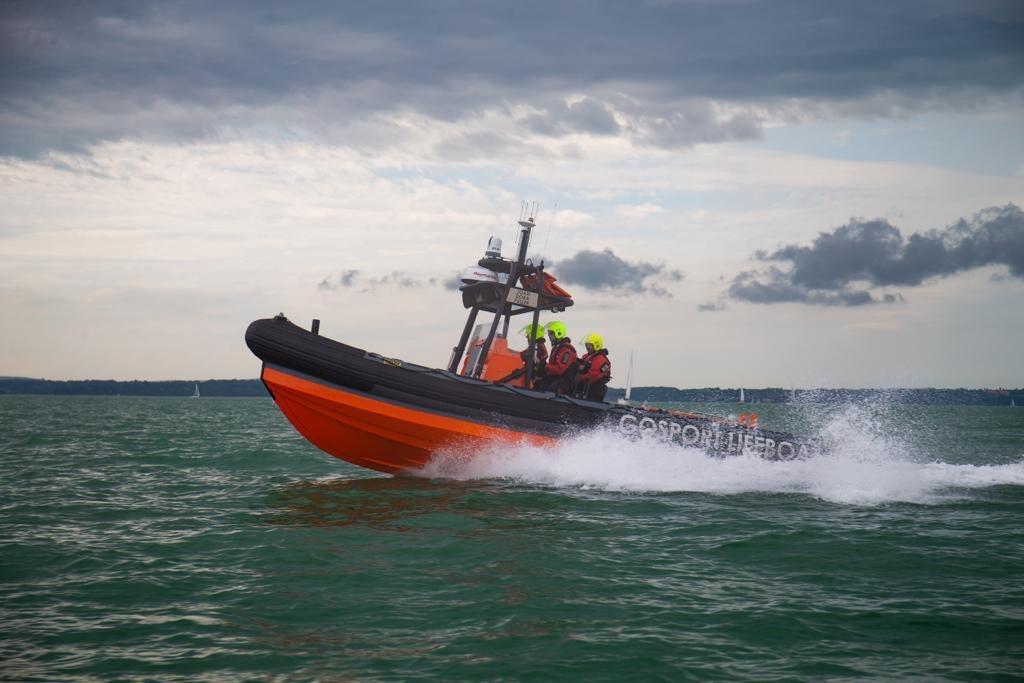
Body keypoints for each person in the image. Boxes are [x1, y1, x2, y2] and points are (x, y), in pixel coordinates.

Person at [537, 320, 578, 395]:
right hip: (555, 379)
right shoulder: (557, 348)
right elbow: (551, 368)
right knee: (538, 383)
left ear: (558, 333)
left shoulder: (566, 350)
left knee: (544, 389)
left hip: (563, 383)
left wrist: (544, 365)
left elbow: (559, 370)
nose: (549, 335)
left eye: (550, 333)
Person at [575, 333, 612, 401]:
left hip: (593, 389)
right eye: (586, 345)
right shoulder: (587, 356)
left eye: (589, 345)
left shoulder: (600, 359)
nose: (587, 347)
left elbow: (593, 375)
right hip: (583, 387)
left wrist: (579, 377)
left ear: (596, 345)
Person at [519, 323, 548, 387]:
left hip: (534, 381)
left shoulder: (538, 347)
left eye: (528, 334)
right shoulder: (537, 346)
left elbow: (522, 356)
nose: (527, 337)